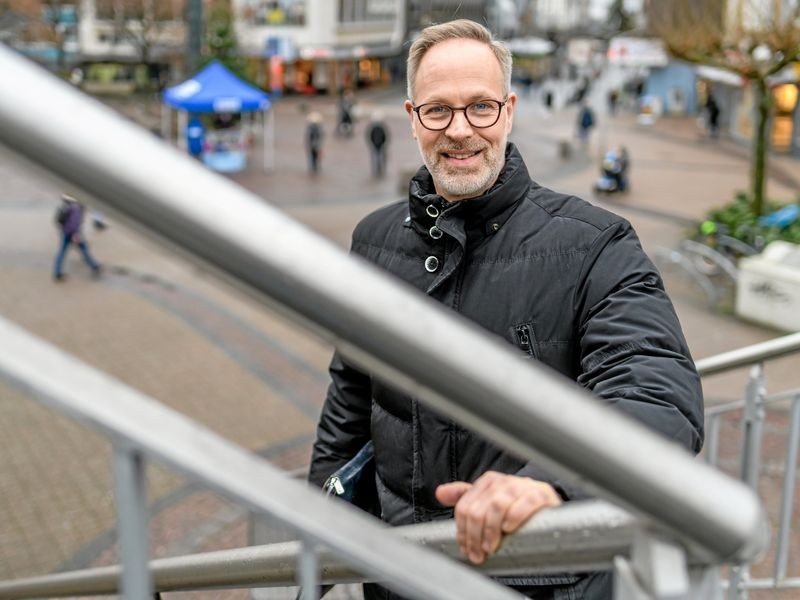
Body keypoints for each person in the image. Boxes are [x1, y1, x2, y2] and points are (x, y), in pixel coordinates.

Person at [309, 19, 703, 600]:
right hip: (399, 576)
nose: (460, 130)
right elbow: (348, 407)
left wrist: (553, 484)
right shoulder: (374, 240)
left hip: (537, 579)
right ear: (413, 117)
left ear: (510, 110)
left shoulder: (596, 245)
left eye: (480, 107)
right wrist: (321, 534)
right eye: (438, 111)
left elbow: (658, 395)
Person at [53, 194, 102, 281]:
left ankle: (57, 271)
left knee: (62, 251)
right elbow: (74, 223)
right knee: (83, 248)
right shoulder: (76, 207)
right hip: (72, 233)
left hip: (65, 231)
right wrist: (76, 234)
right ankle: (95, 266)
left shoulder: (69, 204)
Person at [365, 111, 390, 178]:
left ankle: (377, 170)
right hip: (378, 145)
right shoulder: (381, 126)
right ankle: (378, 170)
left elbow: (369, 136)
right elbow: (385, 135)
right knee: (378, 158)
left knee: (376, 158)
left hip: (377, 145)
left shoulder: (373, 127)